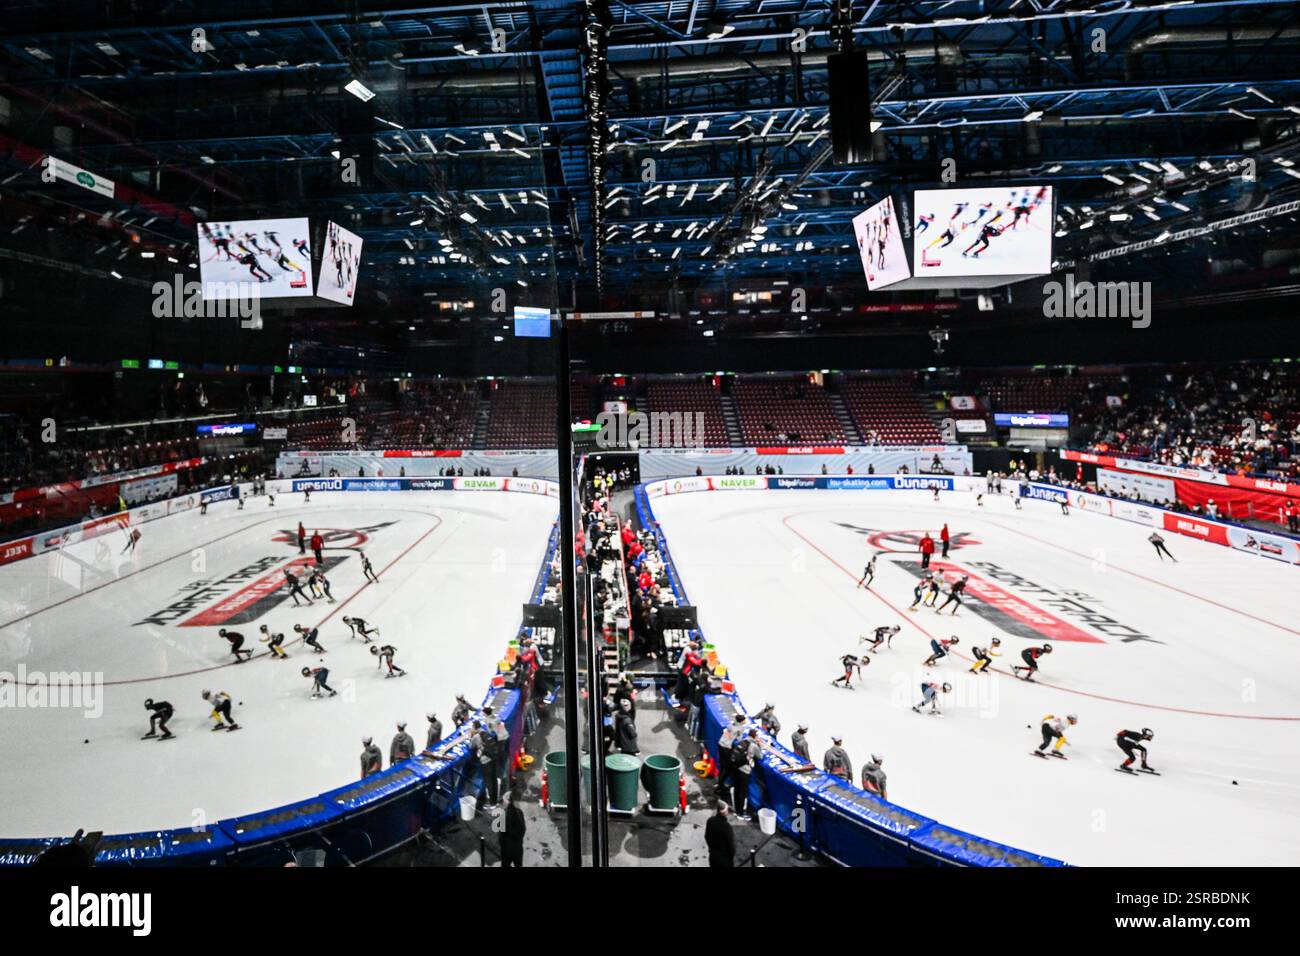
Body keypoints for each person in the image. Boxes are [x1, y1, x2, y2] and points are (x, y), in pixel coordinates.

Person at [731, 728, 760, 819]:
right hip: (744, 771)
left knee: (737, 789)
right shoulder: (753, 745)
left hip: (736, 768)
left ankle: (736, 809)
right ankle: (741, 813)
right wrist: (760, 746)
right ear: (755, 737)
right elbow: (760, 756)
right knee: (743, 792)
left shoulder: (743, 741)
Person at [473, 720, 500, 806]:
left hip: (485, 762)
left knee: (489, 782)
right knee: (493, 780)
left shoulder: (476, 736)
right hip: (493, 759)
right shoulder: (485, 732)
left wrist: (471, 736)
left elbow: (471, 746)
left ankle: (492, 803)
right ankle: (495, 800)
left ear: (474, 728)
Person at [499, 789, 527, 867]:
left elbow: (501, 836)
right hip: (518, 848)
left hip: (507, 848)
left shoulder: (502, 816)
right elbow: (523, 829)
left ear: (506, 802)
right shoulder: (519, 812)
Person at [705, 801, 736, 868]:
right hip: (724, 860)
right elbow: (731, 847)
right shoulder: (727, 827)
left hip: (713, 856)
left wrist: (711, 849)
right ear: (725, 812)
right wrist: (730, 858)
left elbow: (706, 836)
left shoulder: (710, 821)